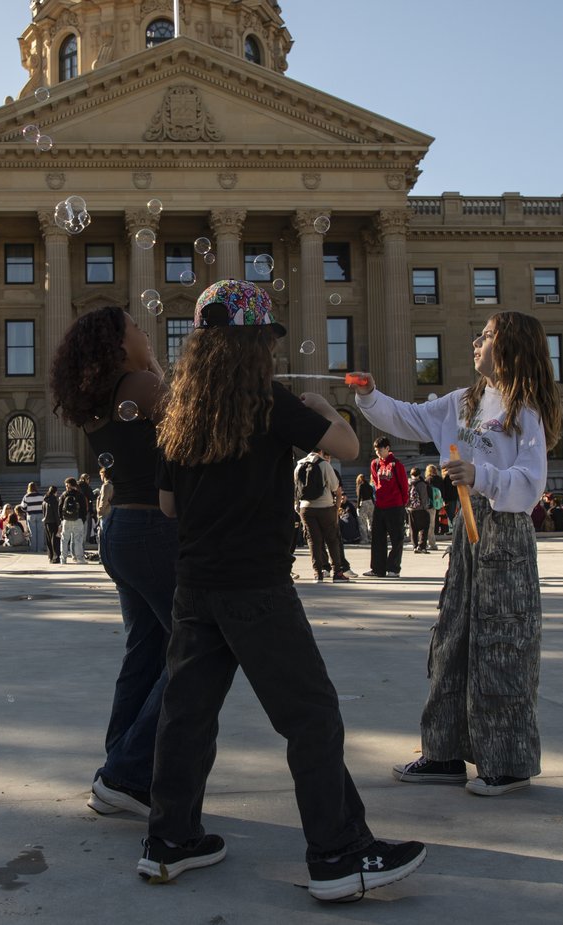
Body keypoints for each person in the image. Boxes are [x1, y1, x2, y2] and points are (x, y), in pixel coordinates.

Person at [148, 278, 425, 901]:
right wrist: (325, 410)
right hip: (257, 585)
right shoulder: (267, 403)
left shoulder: (179, 411)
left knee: (186, 715)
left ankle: (169, 840)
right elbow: (349, 446)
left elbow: (167, 505)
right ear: (254, 345)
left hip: (194, 585)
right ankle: (339, 852)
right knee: (310, 715)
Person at [353, 310, 562, 799]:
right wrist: (367, 395)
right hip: (468, 538)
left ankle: (506, 763)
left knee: (500, 642)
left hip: (503, 533)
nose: (475, 342)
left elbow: (531, 485)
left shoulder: (523, 407)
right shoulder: (464, 402)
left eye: (486, 336)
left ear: (509, 346)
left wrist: (480, 476)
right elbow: (406, 417)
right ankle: (444, 753)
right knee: (452, 638)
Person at [48, 304, 177, 821]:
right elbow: (201, 427)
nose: (147, 332)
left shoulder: (108, 394)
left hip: (122, 530)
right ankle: (125, 772)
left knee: (146, 652)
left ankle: (122, 767)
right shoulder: (142, 387)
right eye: (138, 327)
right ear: (121, 345)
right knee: (198, 647)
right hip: (154, 531)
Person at [295, 448, 348, 581]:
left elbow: (295, 489)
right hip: (325, 507)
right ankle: (337, 573)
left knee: (313, 541)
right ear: (321, 452)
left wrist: (297, 507)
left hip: (305, 508)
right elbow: (335, 487)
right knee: (332, 540)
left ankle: (318, 573)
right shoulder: (324, 464)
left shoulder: (299, 465)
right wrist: (336, 508)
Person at [366, 436, 407, 578]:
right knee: (377, 538)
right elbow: (376, 483)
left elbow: (404, 486)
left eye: (380, 449)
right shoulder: (375, 464)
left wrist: (403, 503)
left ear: (388, 448)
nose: (378, 452)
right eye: (376, 450)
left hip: (395, 506)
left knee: (397, 538)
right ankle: (377, 569)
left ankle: (394, 568)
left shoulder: (397, 465)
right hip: (380, 506)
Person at [59, 476, 90, 564]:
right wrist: (83, 519)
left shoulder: (64, 495)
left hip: (66, 520)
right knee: (78, 539)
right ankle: (79, 559)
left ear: (68, 485)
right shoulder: (80, 495)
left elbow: (60, 507)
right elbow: (84, 508)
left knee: (64, 540)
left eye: (66, 485)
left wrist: (61, 519)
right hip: (78, 519)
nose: (66, 487)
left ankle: (63, 559)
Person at [405, 466, 432, 554]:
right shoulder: (422, 484)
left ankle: (415, 546)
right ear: (419, 474)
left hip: (411, 509)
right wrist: (425, 507)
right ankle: (422, 546)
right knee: (424, 527)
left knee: (413, 528)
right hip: (421, 509)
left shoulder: (408, 483)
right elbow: (424, 497)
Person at [20, 482, 46, 554]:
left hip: (31, 515)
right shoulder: (41, 496)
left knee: (32, 533)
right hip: (40, 514)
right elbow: (44, 506)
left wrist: (28, 510)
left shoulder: (26, 496)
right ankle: (40, 549)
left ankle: (33, 549)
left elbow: (23, 507)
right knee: (40, 532)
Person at [42, 484, 62, 564]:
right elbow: (56, 513)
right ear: (55, 492)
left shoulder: (45, 500)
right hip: (53, 522)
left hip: (46, 522)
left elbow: (43, 512)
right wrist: (59, 524)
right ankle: (56, 557)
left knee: (49, 540)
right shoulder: (54, 500)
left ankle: (50, 556)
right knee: (55, 540)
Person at [354, 473, 374, 544]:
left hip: (363, 503)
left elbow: (359, 497)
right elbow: (372, 496)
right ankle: (372, 537)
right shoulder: (369, 486)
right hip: (371, 503)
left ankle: (364, 539)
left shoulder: (360, 486)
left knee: (362, 522)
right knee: (371, 521)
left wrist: (358, 506)